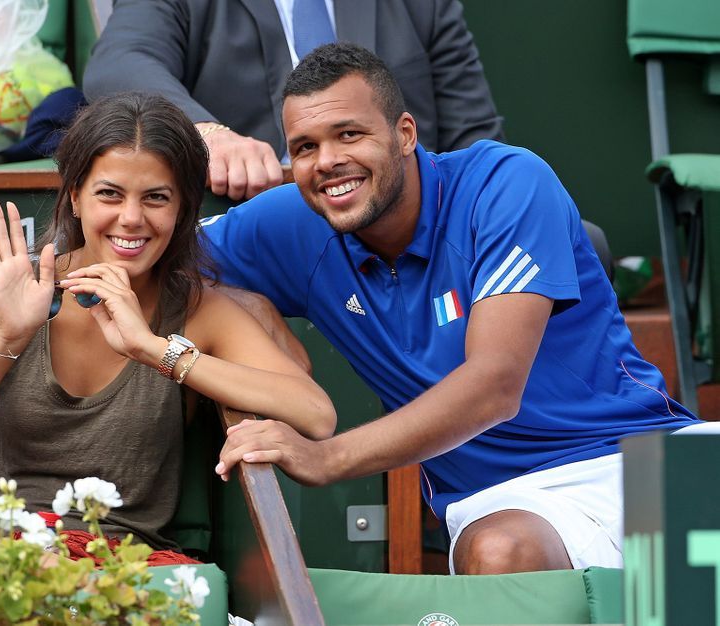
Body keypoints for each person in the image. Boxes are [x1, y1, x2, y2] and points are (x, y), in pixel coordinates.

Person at [203, 42, 704, 575]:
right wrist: (251, 317)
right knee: (500, 555)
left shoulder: (505, 182)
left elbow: (493, 386)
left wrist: (326, 458)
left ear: (404, 135)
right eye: (304, 147)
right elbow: (150, 257)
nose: (327, 161)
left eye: (350, 134)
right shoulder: (292, 224)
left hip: (639, 461)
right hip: (509, 503)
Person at [0, 93, 335, 560]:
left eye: (156, 198)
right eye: (109, 193)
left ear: (182, 209)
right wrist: (6, 339)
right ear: (76, 197)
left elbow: (316, 414)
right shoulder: (1, 294)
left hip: (112, 561)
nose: (131, 218)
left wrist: (152, 349)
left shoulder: (198, 310)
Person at [83, 0, 504, 201]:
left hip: (405, 245)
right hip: (252, 233)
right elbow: (119, 64)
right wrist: (209, 135)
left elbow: (475, 140)